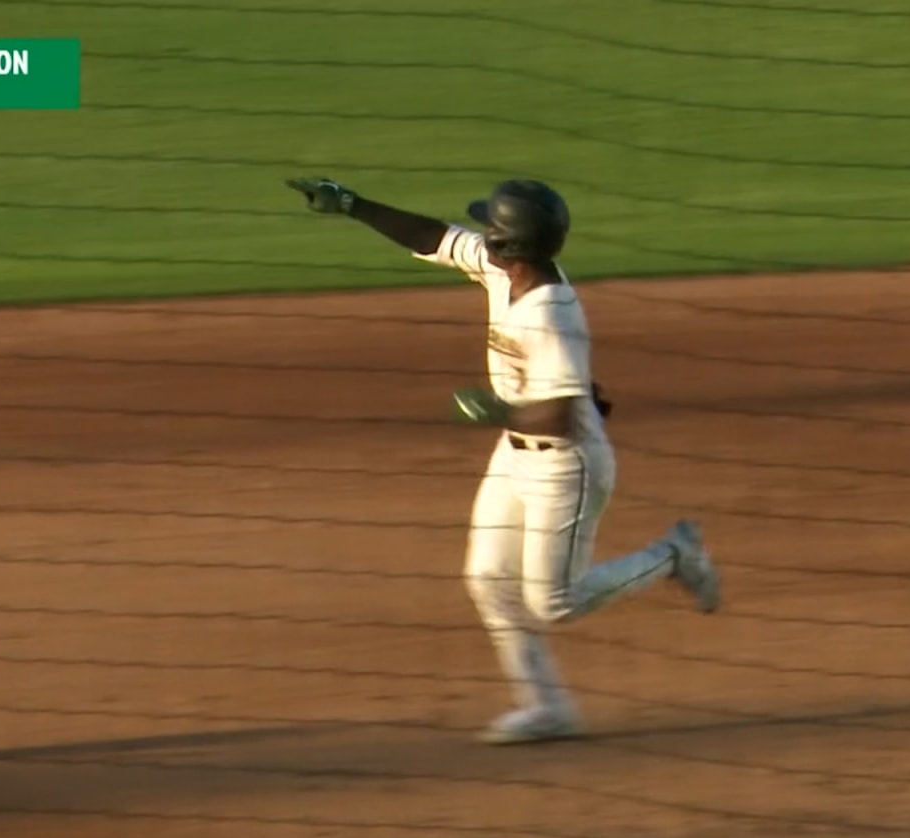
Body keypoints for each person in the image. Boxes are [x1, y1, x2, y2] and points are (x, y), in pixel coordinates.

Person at [285, 177, 721, 744]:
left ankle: (675, 555)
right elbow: (431, 237)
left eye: (490, 228)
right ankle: (547, 707)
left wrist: (494, 411)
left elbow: (562, 415)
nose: (480, 236)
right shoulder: (505, 268)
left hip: (566, 466)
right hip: (514, 455)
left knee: (556, 603)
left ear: (510, 245)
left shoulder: (551, 315)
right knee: (487, 576)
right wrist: (351, 205)